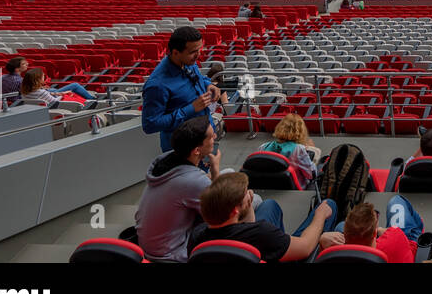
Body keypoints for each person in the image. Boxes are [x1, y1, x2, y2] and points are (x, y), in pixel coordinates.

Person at [189, 172, 338, 262]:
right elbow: (305, 247)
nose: (250, 192)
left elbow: (246, 227)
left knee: (269, 204)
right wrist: (320, 215)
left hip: (260, 248)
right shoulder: (261, 233)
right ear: (235, 211)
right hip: (275, 248)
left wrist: (247, 207)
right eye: (246, 192)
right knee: (328, 204)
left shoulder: (197, 234)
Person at [134, 116, 220, 262]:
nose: (215, 137)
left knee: (229, 173)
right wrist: (216, 170)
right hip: (171, 256)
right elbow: (222, 213)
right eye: (211, 136)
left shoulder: (164, 162)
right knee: (252, 203)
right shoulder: (194, 181)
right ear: (197, 150)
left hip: (148, 248)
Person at [142, 26, 221, 152]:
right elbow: (150, 125)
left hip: (204, 140)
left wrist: (208, 84)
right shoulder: (157, 84)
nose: (198, 55)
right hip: (184, 151)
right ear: (175, 53)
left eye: (199, 49)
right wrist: (190, 109)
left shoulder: (187, 61)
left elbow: (198, 78)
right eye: (193, 52)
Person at [322, 199, 422, 262]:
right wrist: (381, 230)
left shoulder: (332, 252)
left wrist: (321, 239)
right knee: (396, 201)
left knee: (340, 225)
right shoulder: (394, 236)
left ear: (345, 233)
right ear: (375, 233)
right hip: (408, 246)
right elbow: (407, 244)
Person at [258, 113, 322, 189]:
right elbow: (311, 175)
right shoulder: (299, 149)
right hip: (293, 188)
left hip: (270, 186)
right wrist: (311, 149)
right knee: (320, 165)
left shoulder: (263, 147)